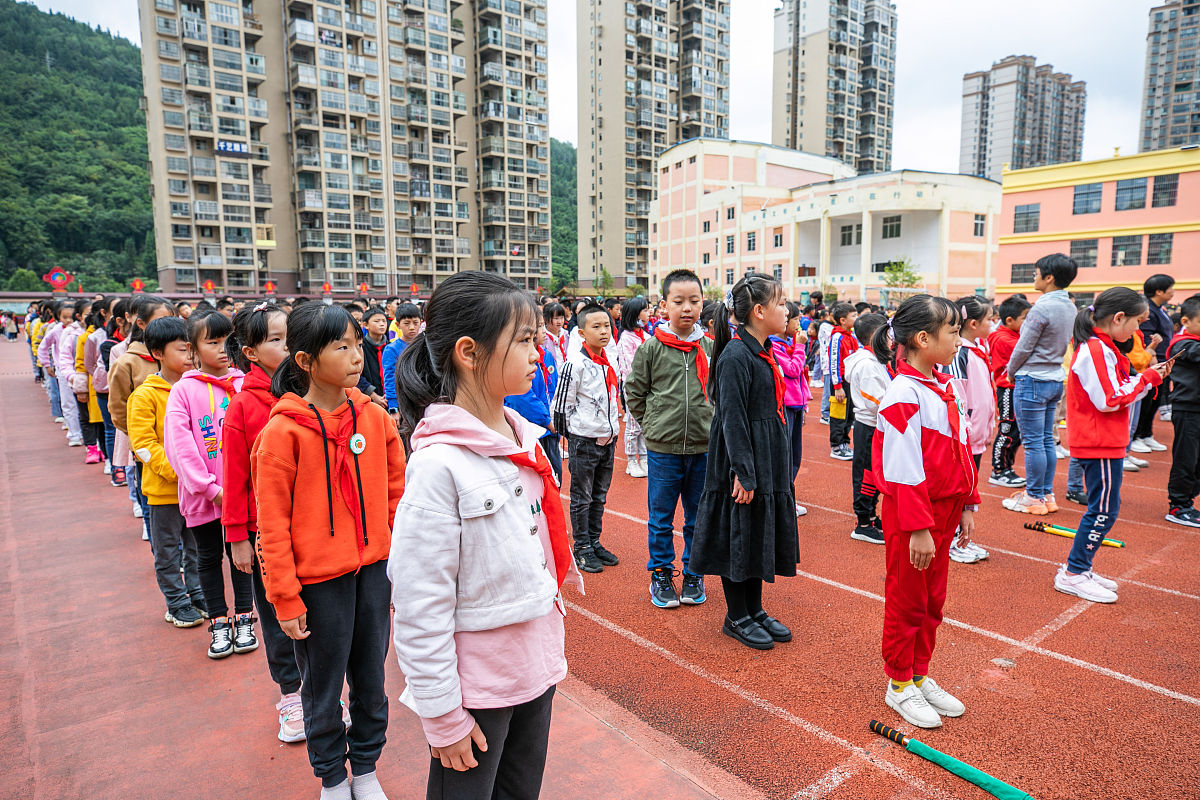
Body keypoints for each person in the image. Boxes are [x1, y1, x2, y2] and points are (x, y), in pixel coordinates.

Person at [390, 271, 580, 800]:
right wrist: (442, 715)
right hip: (477, 689)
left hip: (534, 668)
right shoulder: (439, 465)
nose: (537, 353)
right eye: (524, 340)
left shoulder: (523, 439)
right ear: (469, 353)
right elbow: (419, 603)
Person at [253, 302, 404, 800]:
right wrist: (284, 597)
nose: (357, 356)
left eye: (358, 344)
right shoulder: (282, 432)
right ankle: (333, 779)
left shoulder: (374, 418)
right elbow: (271, 525)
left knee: (372, 682)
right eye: (341, 347)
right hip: (318, 584)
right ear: (305, 361)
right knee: (321, 688)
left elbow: (396, 494)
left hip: (373, 572)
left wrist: (399, 561)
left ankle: (366, 769)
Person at [871, 295, 979, 729]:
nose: (959, 339)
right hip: (914, 514)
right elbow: (902, 466)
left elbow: (963, 446)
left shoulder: (945, 385)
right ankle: (898, 683)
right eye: (953, 331)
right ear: (922, 338)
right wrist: (918, 527)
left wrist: (968, 501)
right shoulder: (903, 393)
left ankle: (919, 673)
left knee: (933, 600)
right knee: (908, 598)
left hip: (947, 508)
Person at [222, 303, 322, 743]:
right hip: (266, 531)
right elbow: (234, 476)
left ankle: (319, 690)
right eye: (276, 340)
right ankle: (291, 694)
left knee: (315, 611)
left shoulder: (311, 392)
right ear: (250, 352)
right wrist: (237, 537)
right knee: (276, 610)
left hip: (312, 526)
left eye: (290, 337)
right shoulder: (244, 405)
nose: (287, 346)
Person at [691, 274, 799, 651]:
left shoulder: (762, 350)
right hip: (743, 458)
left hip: (764, 453)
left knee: (756, 530)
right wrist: (743, 472)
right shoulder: (736, 356)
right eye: (780, 303)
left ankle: (754, 609)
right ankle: (736, 615)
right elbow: (732, 419)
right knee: (739, 531)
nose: (787, 310)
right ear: (759, 311)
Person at [1059, 288, 1168, 602]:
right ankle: (1074, 572)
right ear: (1119, 318)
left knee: (1104, 509)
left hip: (1105, 439)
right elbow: (1109, 399)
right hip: (1099, 441)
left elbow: (1119, 388)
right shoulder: (1096, 350)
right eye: (1138, 322)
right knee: (1103, 510)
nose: (1138, 330)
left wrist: (1147, 377)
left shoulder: (1103, 347)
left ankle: (1080, 567)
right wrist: (1146, 379)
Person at [164, 309, 255, 659]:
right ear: (193, 348)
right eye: (212, 342)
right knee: (207, 557)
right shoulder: (183, 391)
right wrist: (210, 489)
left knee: (243, 555)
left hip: (243, 494)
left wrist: (243, 490)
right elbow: (180, 447)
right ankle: (218, 621)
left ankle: (245, 616)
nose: (221, 349)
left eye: (227, 342)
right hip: (205, 498)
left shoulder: (245, 384)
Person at [626, 270, 713, 608]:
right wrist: (653, 426)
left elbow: (720, 394)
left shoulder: (711, 347)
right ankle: (661, 573)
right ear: (664, 306)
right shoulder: (651, 348)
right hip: (663, 449)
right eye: (679, 301)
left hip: (703, 448)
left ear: (702, 304)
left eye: (694, 301)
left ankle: (693, 572)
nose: (687, 308)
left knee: (698, 517)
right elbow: (635, 392)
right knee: (661, 518)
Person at [127, 316, 206, 628]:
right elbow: (144, 446)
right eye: (182, 350)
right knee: (168, 552)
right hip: (166, 491)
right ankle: (176, 602)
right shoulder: (145, 395)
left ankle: (197, 593)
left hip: (197, 489)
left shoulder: (198, 388)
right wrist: (182, 471)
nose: (190, 355)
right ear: (158, 353)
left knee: (196, 548)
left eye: (191, 349)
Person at [1002, 254, 1078, 516]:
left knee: (1034, 442)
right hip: (1054, 377)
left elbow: (1024, 347)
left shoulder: (1042, 308)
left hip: (1033, 379)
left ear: (1049, 277)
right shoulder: (1070, 306)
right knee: (1046, 440)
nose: (1034, 278)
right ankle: (1046, 494)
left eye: (1036, 273)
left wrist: (1010, 371)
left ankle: (1034, 497)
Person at [552, 302, 621, 573]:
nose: (604, 331)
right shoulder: (575, 364)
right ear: (581, 333)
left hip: (608, 439)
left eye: (607, 326)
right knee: (582, 497)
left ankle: (594, 541)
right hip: (584, 441)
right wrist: (576, 436)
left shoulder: (608, 360)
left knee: (599, 496)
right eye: (596, 327)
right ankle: (581, 547)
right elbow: (561, 406)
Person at [109, 296, 177, 532]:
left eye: (174, 319)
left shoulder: (183, 356)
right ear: (141, 323)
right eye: (162, 320)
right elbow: (118, 408)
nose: (170, 325)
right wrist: (139, 435)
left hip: (179, 443)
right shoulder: (127, 361)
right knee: (152, 499)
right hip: (147, 446)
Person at [945, 297, 996, 565]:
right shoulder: (959, 353)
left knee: (968, 488)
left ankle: (961, 538)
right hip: (965, 436)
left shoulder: (977, 350)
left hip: (976, 435)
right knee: (959, 488)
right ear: (973, 323)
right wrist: (966, 428)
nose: (993, 324)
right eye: (990, 319)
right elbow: (956, 393)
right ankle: (954, 540)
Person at [844, 312, 891, 545]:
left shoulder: (875, 360)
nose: (891, 339)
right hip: (869, 426)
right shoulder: (866, 365)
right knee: (866, 475)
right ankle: (863, 523)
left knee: (875, 473)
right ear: (875, 336)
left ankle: (871, 515)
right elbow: (876, 401)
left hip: (876, 425)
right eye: (887, 334)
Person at [504, 316, 562, 481]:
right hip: (531, 429)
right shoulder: (516, 360)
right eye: (540, 326)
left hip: (550, 429)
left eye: (543, 326)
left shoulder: (547, 356)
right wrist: (547, 420)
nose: (544, 331)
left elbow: (554, 389)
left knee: (554, 476)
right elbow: (521, 398)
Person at [769, 301, 811, 516]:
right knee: (784, 456)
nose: (798, 323)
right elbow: (793, 370)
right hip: (785, 406)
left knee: (795, 455)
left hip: (796, 405)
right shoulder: (774, 346)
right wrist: (800, 346)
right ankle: (782, 499)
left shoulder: (788, 344)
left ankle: (787, 496)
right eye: (796, 319)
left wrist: (805, 402)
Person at [987, 295, 1031, 488]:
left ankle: (1007, 468)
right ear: (1010, 320)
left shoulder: (1015, 335)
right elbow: (1026, 351)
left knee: (1016, 432)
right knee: (1007, 430)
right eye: (1025, 318)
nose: (1029, 323)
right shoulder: (1003, 338)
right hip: (1007, 390)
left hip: (1016, 389)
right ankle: (999, 471)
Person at [1165, 294, 1200, 527]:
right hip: (1188, 409)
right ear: (1186, 321)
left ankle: (1187, 499)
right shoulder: (1182, 344)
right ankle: (1178, 506)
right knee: (1186, 459)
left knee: (1196, 462)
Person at [1132, 274, 1175, 453]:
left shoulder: (1159, 309)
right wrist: (1152, 357)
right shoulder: (1147, 309)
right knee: (1146, 401)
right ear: (1159, 291)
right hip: (1150, 362)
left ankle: (1146, 434)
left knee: (1155, 400)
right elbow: (1144, 339)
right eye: (1170, 288)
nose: (1173, 292)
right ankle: (1136, 436)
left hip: (1162, 360)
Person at [616, 297, 651, 478]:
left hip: (648, 387)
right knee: (633, 424)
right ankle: (631, 460)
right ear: (635, 314)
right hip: (634, 388)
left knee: (644, 424)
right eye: (645, 310)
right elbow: (629, 367)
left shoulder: (646, 336)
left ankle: (643, 457)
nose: (648, 313)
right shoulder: (626, 339)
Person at [827, 302, 859, 459]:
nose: (857, 318)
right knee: (839, 415)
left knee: (849, 415)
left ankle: (844, 443)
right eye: (854, 316)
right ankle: (836, 446)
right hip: (840, 383)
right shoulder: (837, 337)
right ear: (842, 320)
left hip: (850, 381)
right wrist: (837, 386)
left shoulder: (851, 336)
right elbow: (834, 362)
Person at [381, 302, 422, 418]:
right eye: (407, 323)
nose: (412, 327)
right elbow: (390, 378)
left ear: (421, 322)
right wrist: (393, 407)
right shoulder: (391, 349)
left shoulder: (426, 345)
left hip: (424, 399)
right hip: (404, 403)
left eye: (415, 323)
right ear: (398, 325)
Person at [542, 302, 568, 367]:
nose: (559, 322)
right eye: (556, 318)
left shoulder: (566, 335)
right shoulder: (542, 337)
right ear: (546, 319)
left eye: (561, 318)